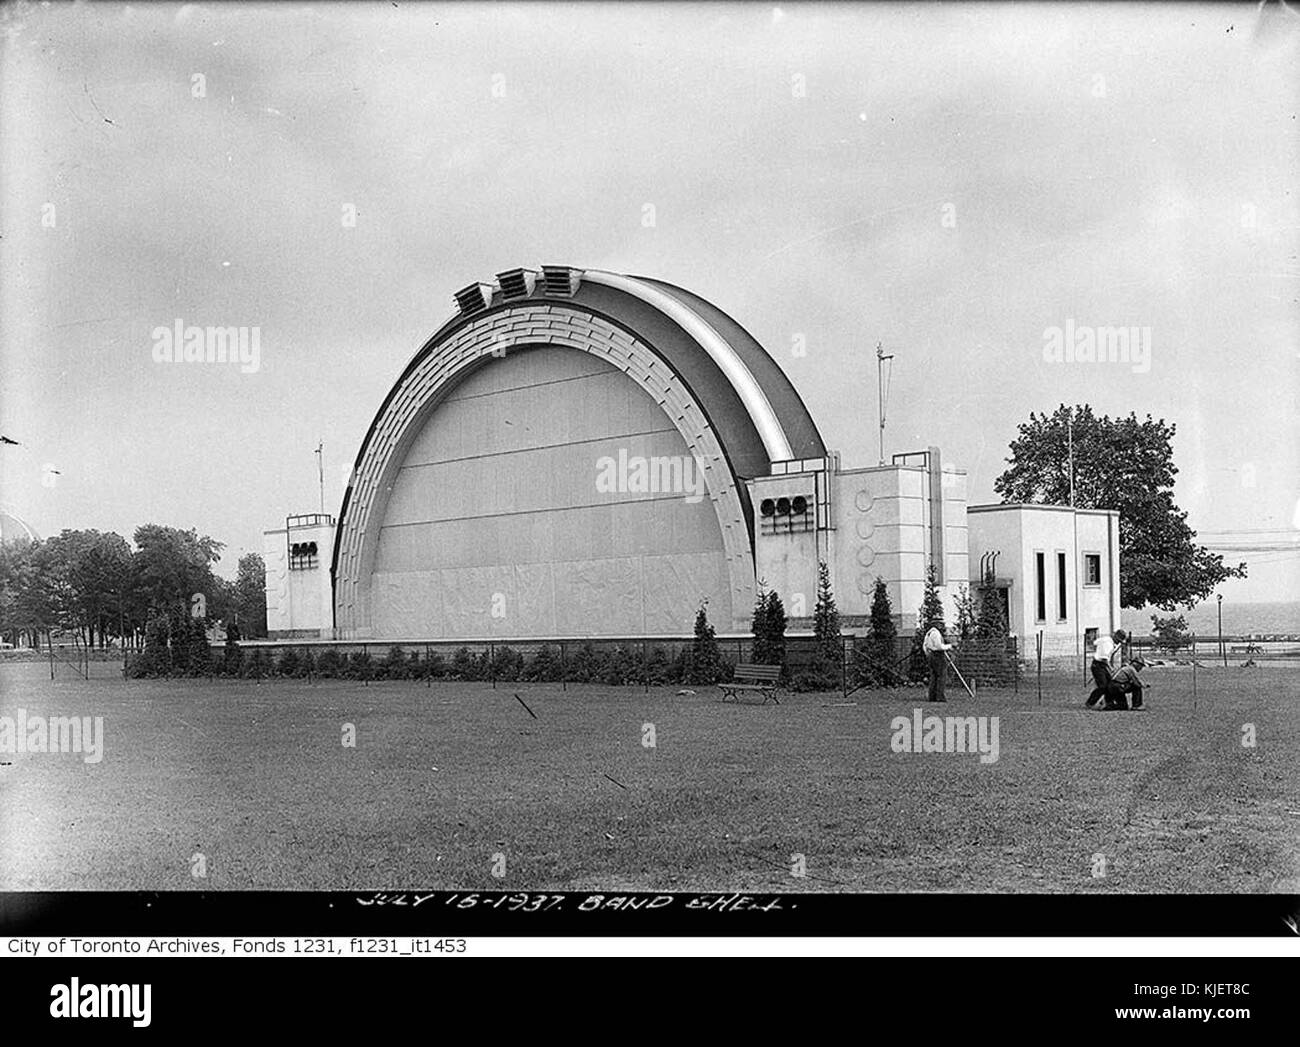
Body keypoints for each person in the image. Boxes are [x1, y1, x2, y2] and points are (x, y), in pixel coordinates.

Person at [1086, 628, 1128, 707]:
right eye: (1118, 640)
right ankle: (1090, 702)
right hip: (1099, 665)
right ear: (1115, 637)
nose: (1118, 642)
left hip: (1099, 664)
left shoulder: (1105, 639)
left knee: (1110, 684)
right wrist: (1111, 669)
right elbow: (1104, 659)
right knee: (1103, 686)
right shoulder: (1108, 644)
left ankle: (1108, 702)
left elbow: (1094, 643)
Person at [922, 619, 953, 703]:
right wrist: (948, 646)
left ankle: (932, 697)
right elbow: (938, 646)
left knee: (934, 677)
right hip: (938, 655)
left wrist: (928, 654)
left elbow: (924, 646)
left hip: (931, 655)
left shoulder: (928, 634)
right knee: (941, 677)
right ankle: (940, 697)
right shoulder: (935, 633)